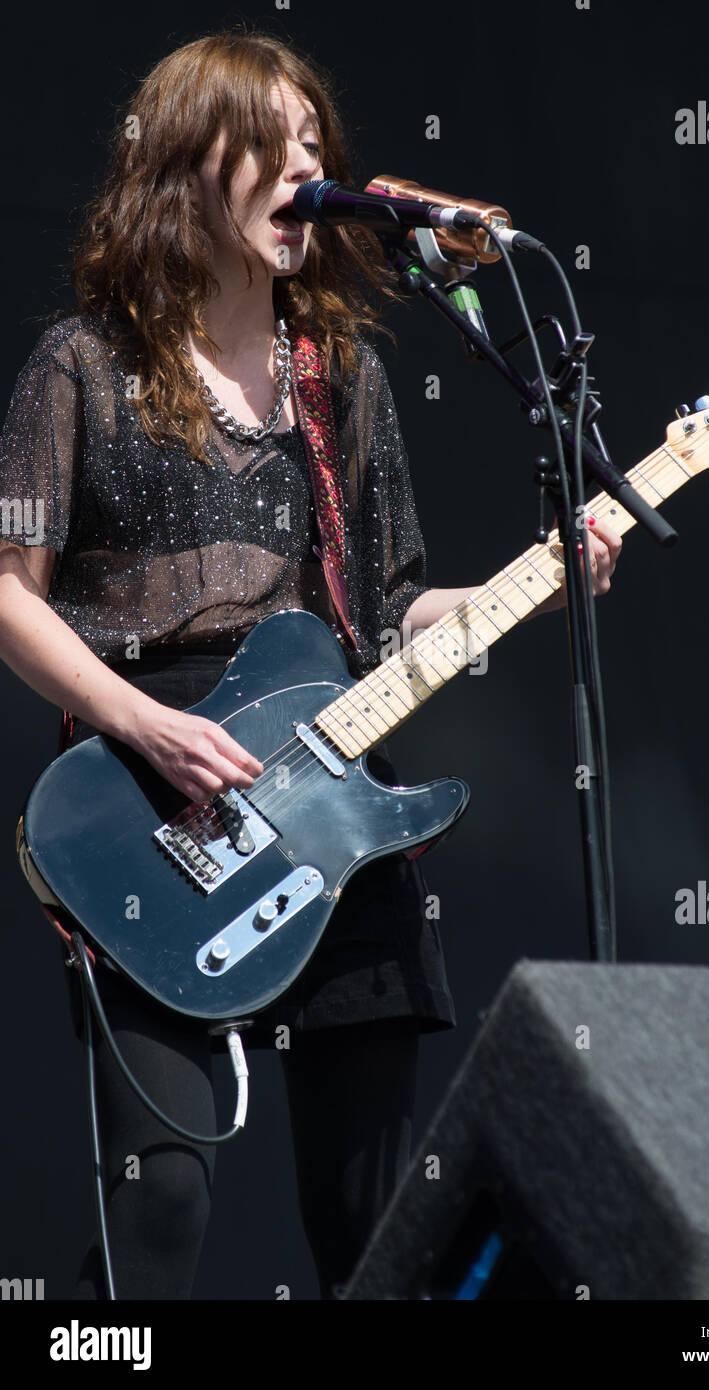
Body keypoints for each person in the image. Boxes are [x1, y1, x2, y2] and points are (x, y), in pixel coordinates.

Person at [0, 28, 621, 1300]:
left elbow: (390, 608)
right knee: (159, 1204)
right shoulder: (83, 364)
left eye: (316, 141)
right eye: (271, 142)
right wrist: (146, 725)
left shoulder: (343, 379)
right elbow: (9, 593)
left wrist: (546, 570)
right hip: (152, 806)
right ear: (187, 167)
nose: (308, 166)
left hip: (332, 806)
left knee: (378, 1215)